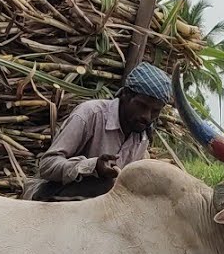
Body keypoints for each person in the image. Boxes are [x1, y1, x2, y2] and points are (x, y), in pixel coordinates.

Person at [21, 62, 172, 201]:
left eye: (155, 111)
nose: (147, 116)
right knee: (104, 186)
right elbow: (47, 165)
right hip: (48, 198)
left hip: (97, 209)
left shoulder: (142, 135)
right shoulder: (90, 114)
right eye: (142, 106)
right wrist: (92, 167)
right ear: (126, 94)